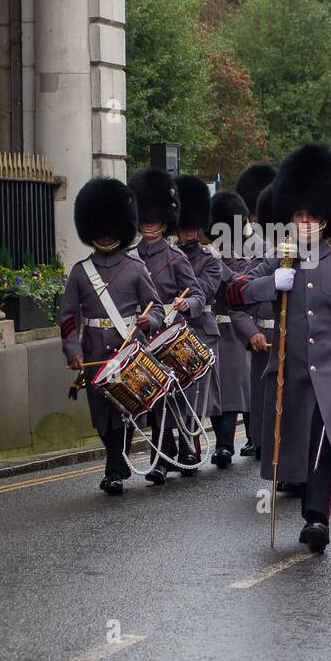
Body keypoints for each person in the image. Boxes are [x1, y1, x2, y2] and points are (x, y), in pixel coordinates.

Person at [226, 143, 331, 553]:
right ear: (289, 218)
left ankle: (317, 518)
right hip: (289, 372)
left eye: (312, 217)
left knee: (326, 445)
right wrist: (269, 284)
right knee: (295, 444)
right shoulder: (278, 260)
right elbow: (233, 295)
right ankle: (307, 507)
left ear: (325, 219)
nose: (305, 223)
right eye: (298, 216)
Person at [57, 178, 165, 496]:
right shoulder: (80, 272)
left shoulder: (135, 267)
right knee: (100, 413)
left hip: (127, 348)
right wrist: (72, 350)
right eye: (100, 229)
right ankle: (115, 460)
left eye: (110, 228)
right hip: (93, 351)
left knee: (122, 411)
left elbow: (156, 307)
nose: (105, 235)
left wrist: (149, 321)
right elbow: (67, 317)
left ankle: (114, 468)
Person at [128, 168, 206, 481]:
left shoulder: (175, 257)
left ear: (164, 222)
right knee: (151, 397)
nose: (149, 224)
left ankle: (173, 452)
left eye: (155, 220)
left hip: (169, 334)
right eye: (145, 219)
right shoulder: (130, 256)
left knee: (170, 397)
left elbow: (198, 294)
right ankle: (166, 454)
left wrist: (187, 304)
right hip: (141, 337)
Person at [174, 174, 225, 461]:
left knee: (195, 392)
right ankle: (172, 447)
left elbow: (203, 292)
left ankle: (190, 444)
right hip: (170, 328)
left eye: (192, 226)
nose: (188, 232)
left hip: (200, 329)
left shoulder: (210, 259)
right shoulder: (166, 256)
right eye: (183, 226)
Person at [208, 190, 256, 467]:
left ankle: (253, 437)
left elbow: (244, 285)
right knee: (218, 391)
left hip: (239, 328)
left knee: (244, 388)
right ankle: (223, 445)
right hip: (215, 329)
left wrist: (220, 267)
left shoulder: (246, 256)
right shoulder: (208, 256)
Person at [235, 164, 277, 461]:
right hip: (264, 332)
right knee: (260, 396)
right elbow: (238, 299)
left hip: (295, 338)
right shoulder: (256, 253)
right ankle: (259, 440)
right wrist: (253, 332)